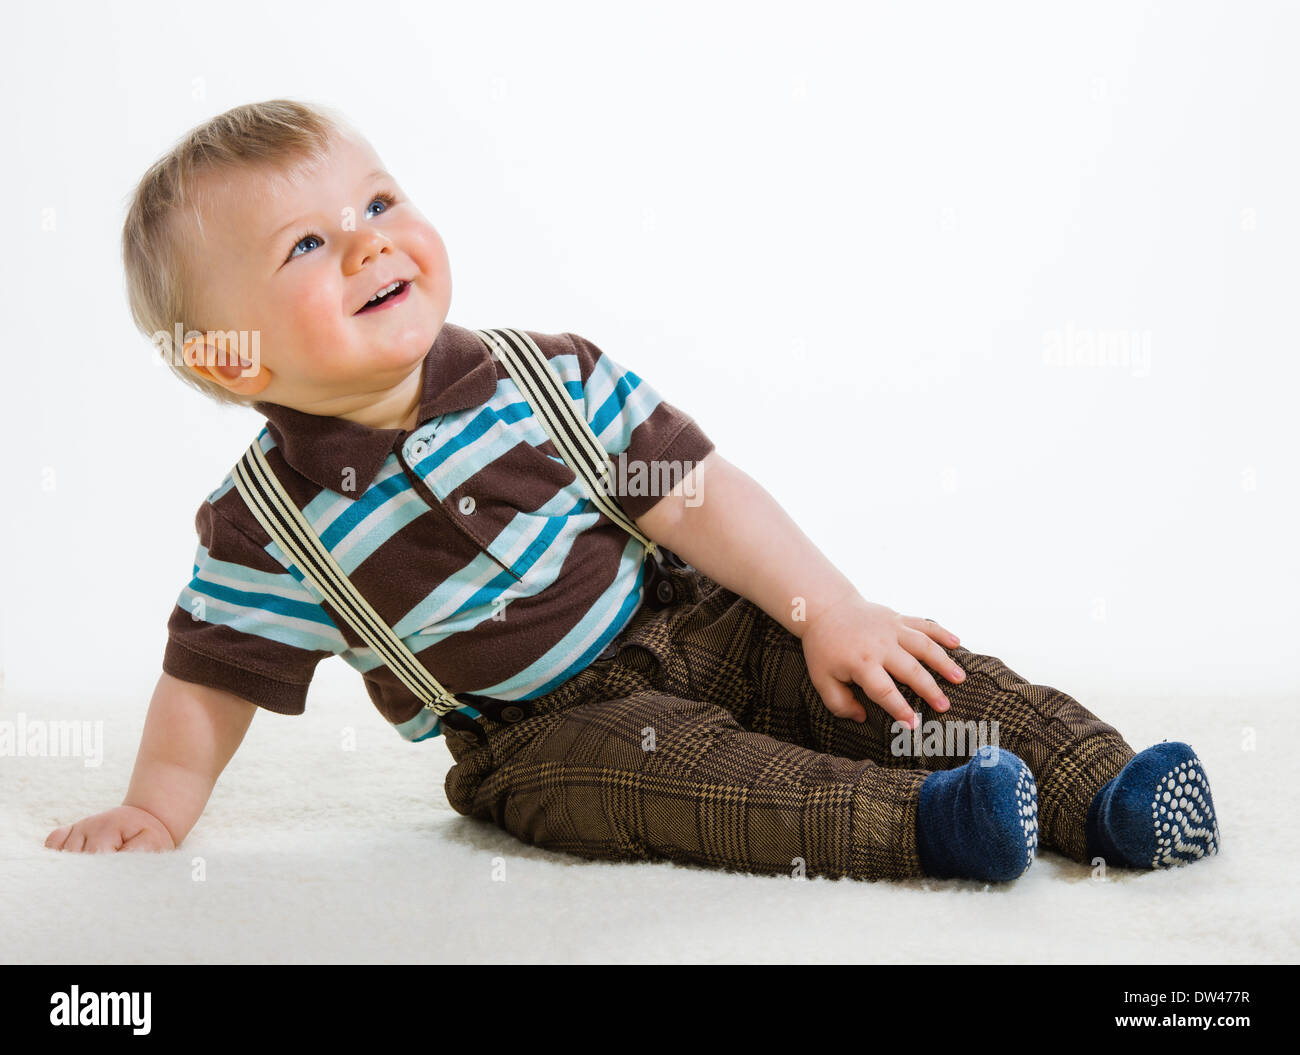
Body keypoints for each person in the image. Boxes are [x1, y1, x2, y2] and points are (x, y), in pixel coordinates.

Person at [45, 99, 1219, 881]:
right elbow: (212, 673)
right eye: (305, 245)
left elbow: (701, 498)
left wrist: (828, 610)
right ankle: (929, 824)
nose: (367, 243)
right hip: (544, 731)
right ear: (229, 358)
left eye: (379, 202)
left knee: (886, 677)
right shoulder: (267, 522)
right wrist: (159, 804)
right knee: (689, 786)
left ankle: (1097, 781)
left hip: (696, 621)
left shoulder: (548, 378)